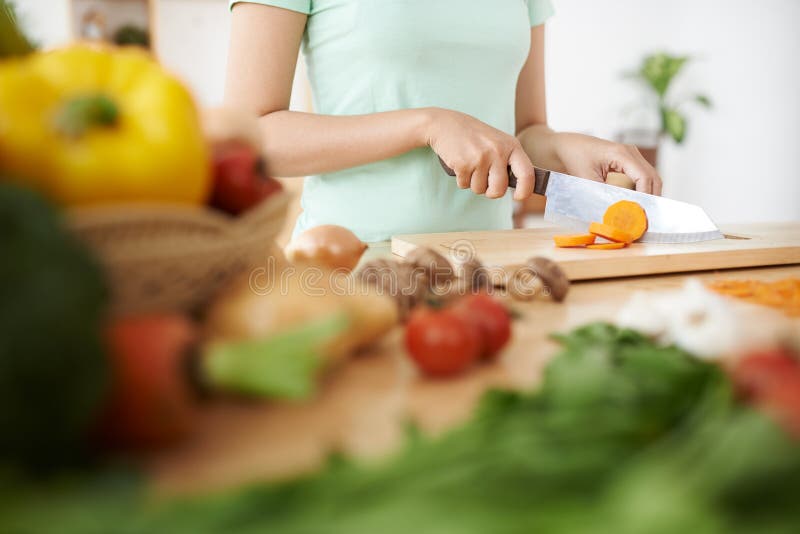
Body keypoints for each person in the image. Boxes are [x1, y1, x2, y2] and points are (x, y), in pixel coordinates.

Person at [225, 0, 662, 242]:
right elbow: (248, 138)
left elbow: (524, 131)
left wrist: (566, 145)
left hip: (490, 266)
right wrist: (426, 124)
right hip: (351, 265)